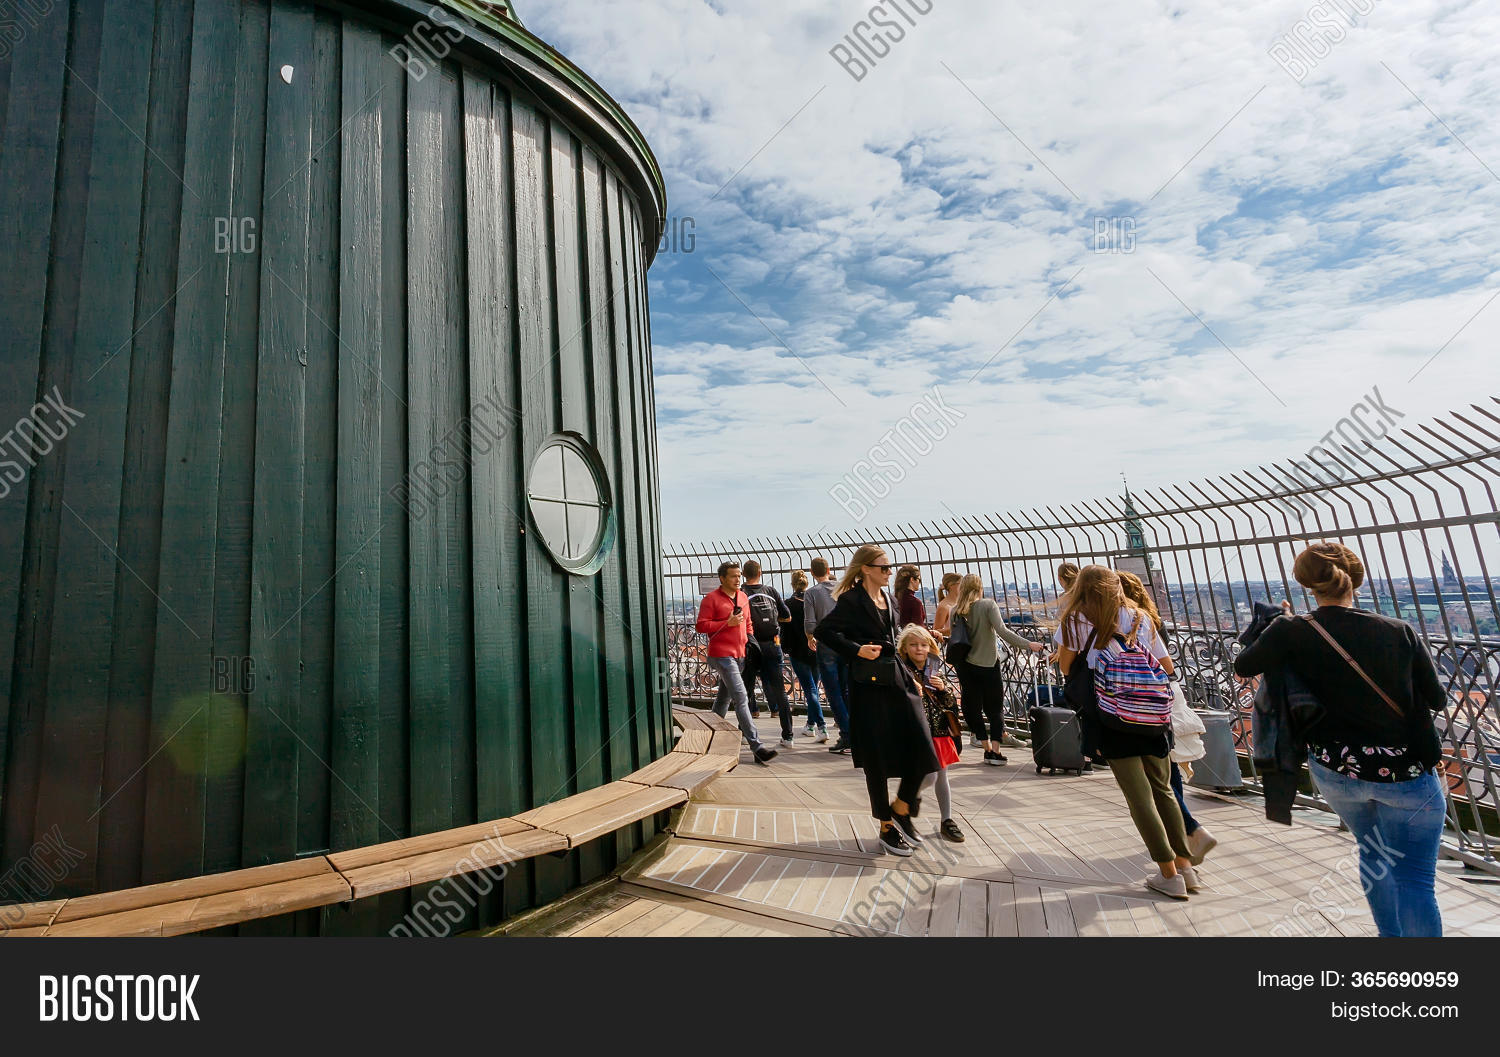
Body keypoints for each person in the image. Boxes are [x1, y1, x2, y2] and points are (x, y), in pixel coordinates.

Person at [1233, 542, 1447, 937]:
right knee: (1414, 878)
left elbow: (1244, 664)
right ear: (1357, 579)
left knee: (1372, 852)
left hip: (1336, 770)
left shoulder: (1291, 630)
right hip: (1405, 771)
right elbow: (1437, 698)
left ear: (1306, 584)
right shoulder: (1398, 631)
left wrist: (1281, 625)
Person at [1054, 565, 1196, 900]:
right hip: (1152, 717)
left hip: (1111, 717)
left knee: (1139, 798)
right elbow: (1166, 665)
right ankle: (1187, 868)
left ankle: (1168, 874)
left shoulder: (1075, 620)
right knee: (1163, 790)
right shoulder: (1139, 618)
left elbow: (1065, 667)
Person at [815, 544, 940, 856]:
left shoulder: (891, 599)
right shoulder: (851, 600)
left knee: (925, 749)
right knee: (877, 757)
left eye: (889, 567)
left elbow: (894, 639)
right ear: (866, 569)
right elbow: (824, 632)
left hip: (896, 677)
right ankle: (886, 825)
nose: (889, 572)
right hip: (869, 685)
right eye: (883, 567)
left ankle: (900, 808)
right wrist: (857, 649)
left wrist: (910, 674)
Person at [1118, 570, 1217, 865]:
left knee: (1157, 780)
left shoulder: (1129, 621)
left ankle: (1189, 832)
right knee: (1169, 771)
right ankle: (1183, 840)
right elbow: (1168, 666)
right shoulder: (1150, 619)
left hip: (1140, 704)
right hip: (1164, 698)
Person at [953, 573, 1044, 764]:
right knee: (995, 709)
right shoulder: (988, 605)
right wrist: (1029, 644)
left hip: (965, 666)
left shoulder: (955, 610)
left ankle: (984, 746)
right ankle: (996, 751)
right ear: (979, 588)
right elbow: (1003, 631)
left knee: (972, 708)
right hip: (988, 664)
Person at [695, 561, 777, 765]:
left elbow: (748, 623)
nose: (738, 579)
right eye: (733, 576)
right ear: (722, 578)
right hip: (721, 654)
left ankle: (708, 736)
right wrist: (726, 623)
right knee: (741, 697)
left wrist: (750, 640)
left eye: (739, 575)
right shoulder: (711, 600)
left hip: (740, 654)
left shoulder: (742, 597)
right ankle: (757, 747)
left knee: (723, 699)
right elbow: (701, 626)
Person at [897, 624, 965, 842]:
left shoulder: (933, 669)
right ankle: (909, 796)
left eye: (923, 645)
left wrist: (943, 689)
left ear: (930, 647)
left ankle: (947, 820)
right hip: (916, 731)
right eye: (913, 645)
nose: (919, 649)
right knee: (930, 776)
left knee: (941, 776)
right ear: (905, 648)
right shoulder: (902, 670)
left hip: (939, 730)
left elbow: (950, 704)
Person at [740, 559, 795, 748]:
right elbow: (787, 616)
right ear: (760, 573)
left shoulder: (741, 593)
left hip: (751, 645)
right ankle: (788, 735)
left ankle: (745, 732)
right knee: (780, 690)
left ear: (743, 575)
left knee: (746, 690)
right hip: (773, 645)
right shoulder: (771, 591)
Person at [804, 556, 853, 754]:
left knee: (833, 692)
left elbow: (810, 623)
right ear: (829, 569)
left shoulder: (812, 593)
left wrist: (809, 637)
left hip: (826, 644)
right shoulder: (844, 588)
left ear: (812, 572)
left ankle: (847, 734)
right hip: (847, 643)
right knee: (846, 689)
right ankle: (856, 731)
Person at [786, 570, 827, 742]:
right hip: (816, 648)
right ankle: (810, 724)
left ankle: (822, 726)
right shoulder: (813, 600)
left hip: (798, 651)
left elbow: (785, 629)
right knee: (814, 689)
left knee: (809, 690)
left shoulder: (788, 604)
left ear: (792, 584)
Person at [932, 573, 963, 641]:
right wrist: (954, 629)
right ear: (951, 585)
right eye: (961, 583)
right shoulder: (944, 606)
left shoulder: (962, 603)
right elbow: (936, 631)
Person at [894, 565, 926, 629]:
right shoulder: (915, 602)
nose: (919, 583)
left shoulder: (894, 600)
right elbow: (918, 629)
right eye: (919, 580)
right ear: (912, 579)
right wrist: (933, 633)